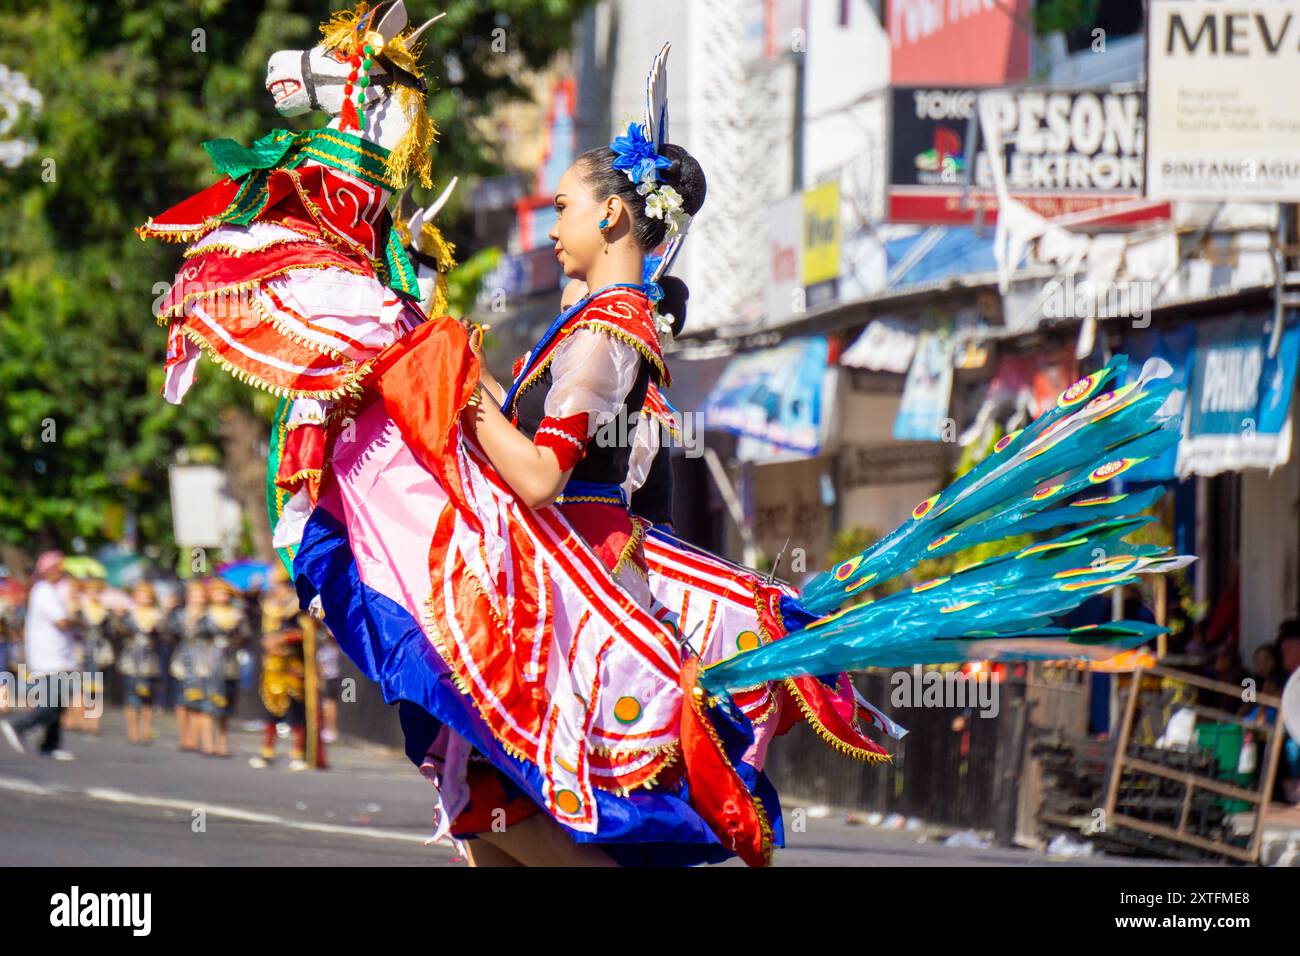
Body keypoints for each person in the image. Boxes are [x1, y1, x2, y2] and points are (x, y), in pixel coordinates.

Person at [1, 551, 77, 760]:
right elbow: (62, 621)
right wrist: (77, 616)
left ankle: (50, 745)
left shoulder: (53, 591)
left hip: (60, 655)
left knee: (60, 703)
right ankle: (20, 726)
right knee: (52, 703)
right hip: (49, 657)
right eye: (57, 567)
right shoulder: (44, 591)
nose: (61, 571)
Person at [250, 571, 310, 771]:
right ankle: (267, 751)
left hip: (293, 665)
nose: (280, 589)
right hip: (272, 666)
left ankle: (298, 753)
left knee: (295, 710)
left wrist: (284, 639)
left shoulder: (299, 606)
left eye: (284, 584)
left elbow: (307, 633)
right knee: (270, 708)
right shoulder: (267, 607)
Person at [202, 579, 249, 757]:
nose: (221, 596)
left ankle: (222, 743)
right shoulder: (206, 615)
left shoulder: (237, 615)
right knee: (209, 704)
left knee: (225, 705)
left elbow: (245, 636)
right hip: (209, 662)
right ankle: (208, 742)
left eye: (224, 593)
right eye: (217, 593)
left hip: (229, 662)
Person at [119, 582, 166, 745]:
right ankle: (132, 731)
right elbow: (119, 631)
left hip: (149, 661)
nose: (144, 598)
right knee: (131, 697)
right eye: (140, 594)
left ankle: (145, 730)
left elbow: (165, 635)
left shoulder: (158, 615)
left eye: (147, 595)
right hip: (131, 660)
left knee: (148, 697)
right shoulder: (129, 615)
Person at [171, 581, 210, 752]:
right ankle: (183, 736)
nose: (197, 599)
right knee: (182, 698)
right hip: (183, 657)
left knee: (198, 698)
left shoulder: (209, 615)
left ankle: (194, 738)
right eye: (194, 596)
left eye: (200, 596)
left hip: (203, 658)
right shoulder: (179, 615)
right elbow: (169, 632)